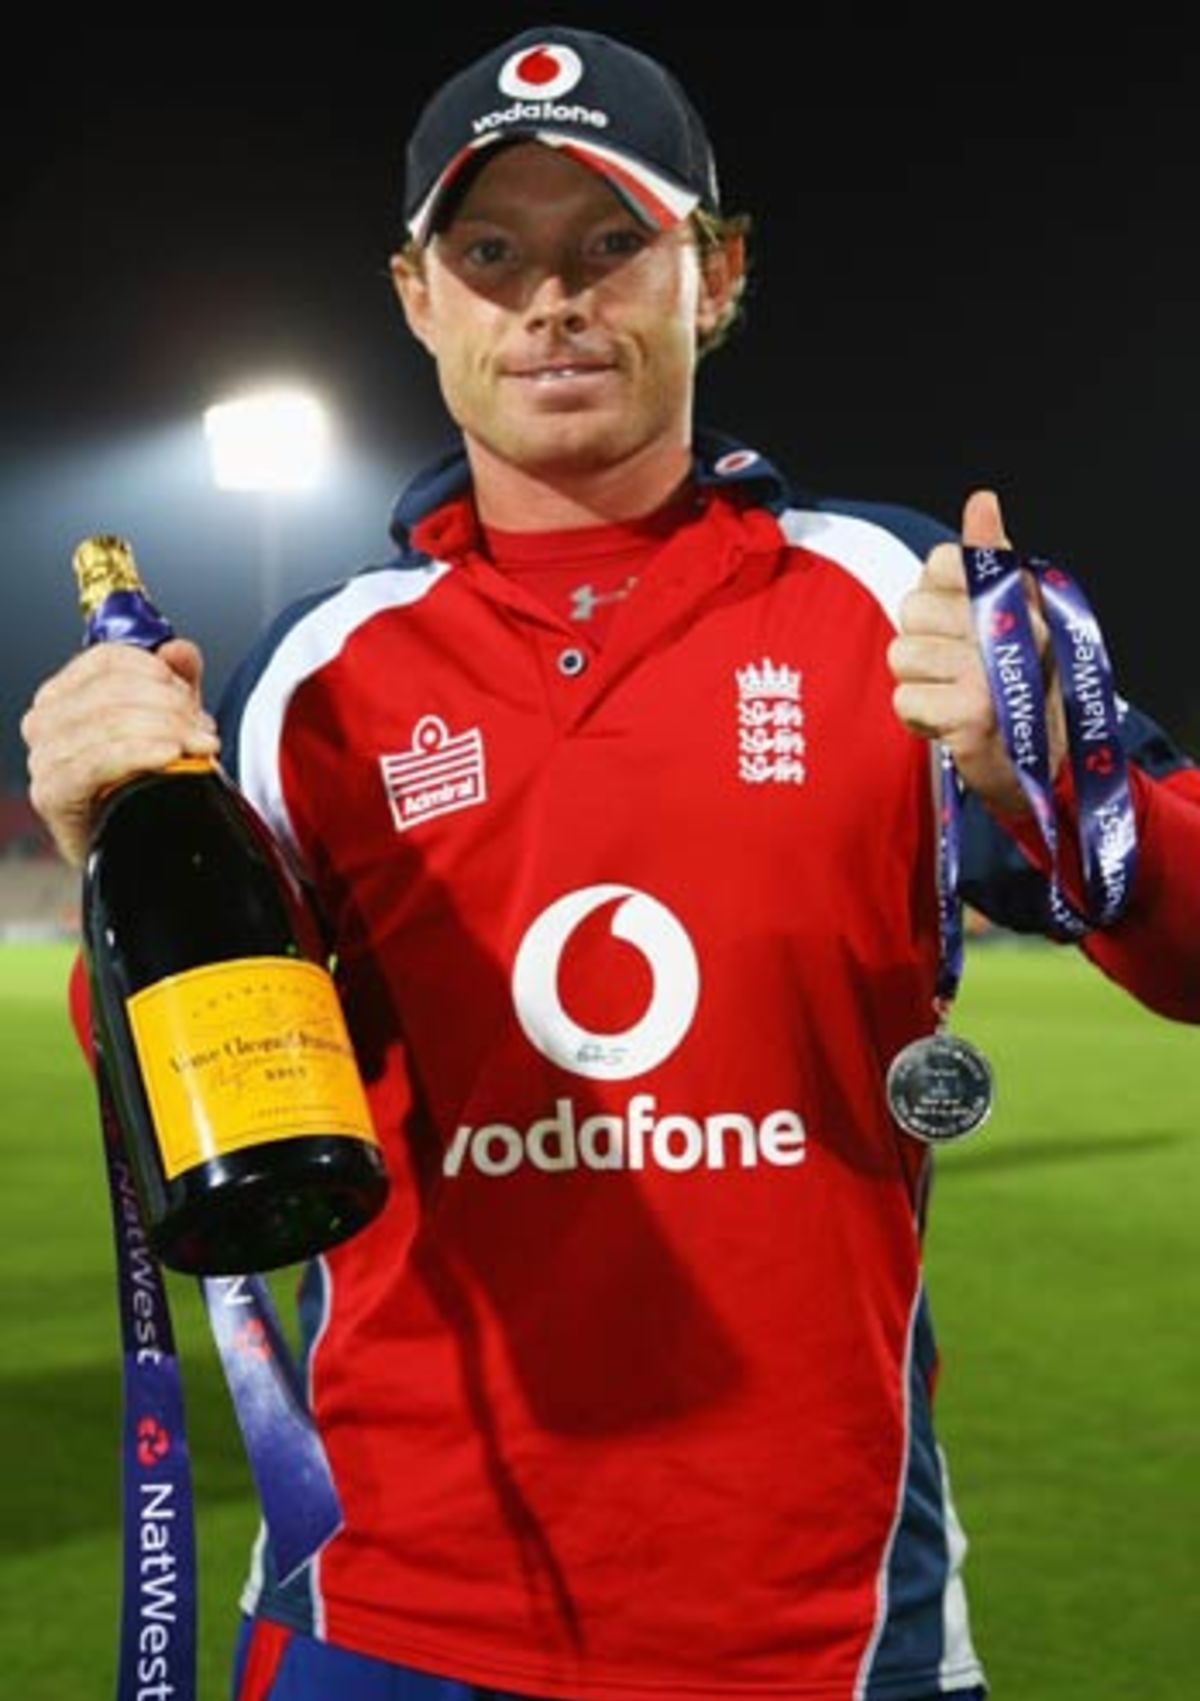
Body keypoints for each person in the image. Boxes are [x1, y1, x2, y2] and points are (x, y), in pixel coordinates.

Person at [21, 24, 1200, 1701]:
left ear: (713, 275)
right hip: (384, 1611)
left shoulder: (893, 596)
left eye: (611, 244)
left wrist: (1057, 782)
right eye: (490, 254)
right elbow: (198, 1084)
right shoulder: (313, 679)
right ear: (418, 299)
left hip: (813, 1631)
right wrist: (118, 849)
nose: (550, 300)